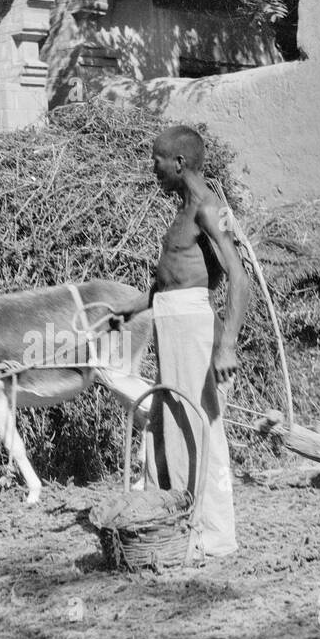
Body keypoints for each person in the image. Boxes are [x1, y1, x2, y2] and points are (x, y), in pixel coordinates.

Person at [121, 126, 250, 559]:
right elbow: (172, 280)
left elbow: (238, 278)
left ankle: (215, 534)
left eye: (157, 159)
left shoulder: (207, 208)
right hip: (168, 321)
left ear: (178, 162)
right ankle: (174, 522)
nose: (152, 167)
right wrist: (131, 309)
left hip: (194, 327)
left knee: (201, 422)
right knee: (170, 421)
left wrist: (227, 345)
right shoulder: (182, 210)